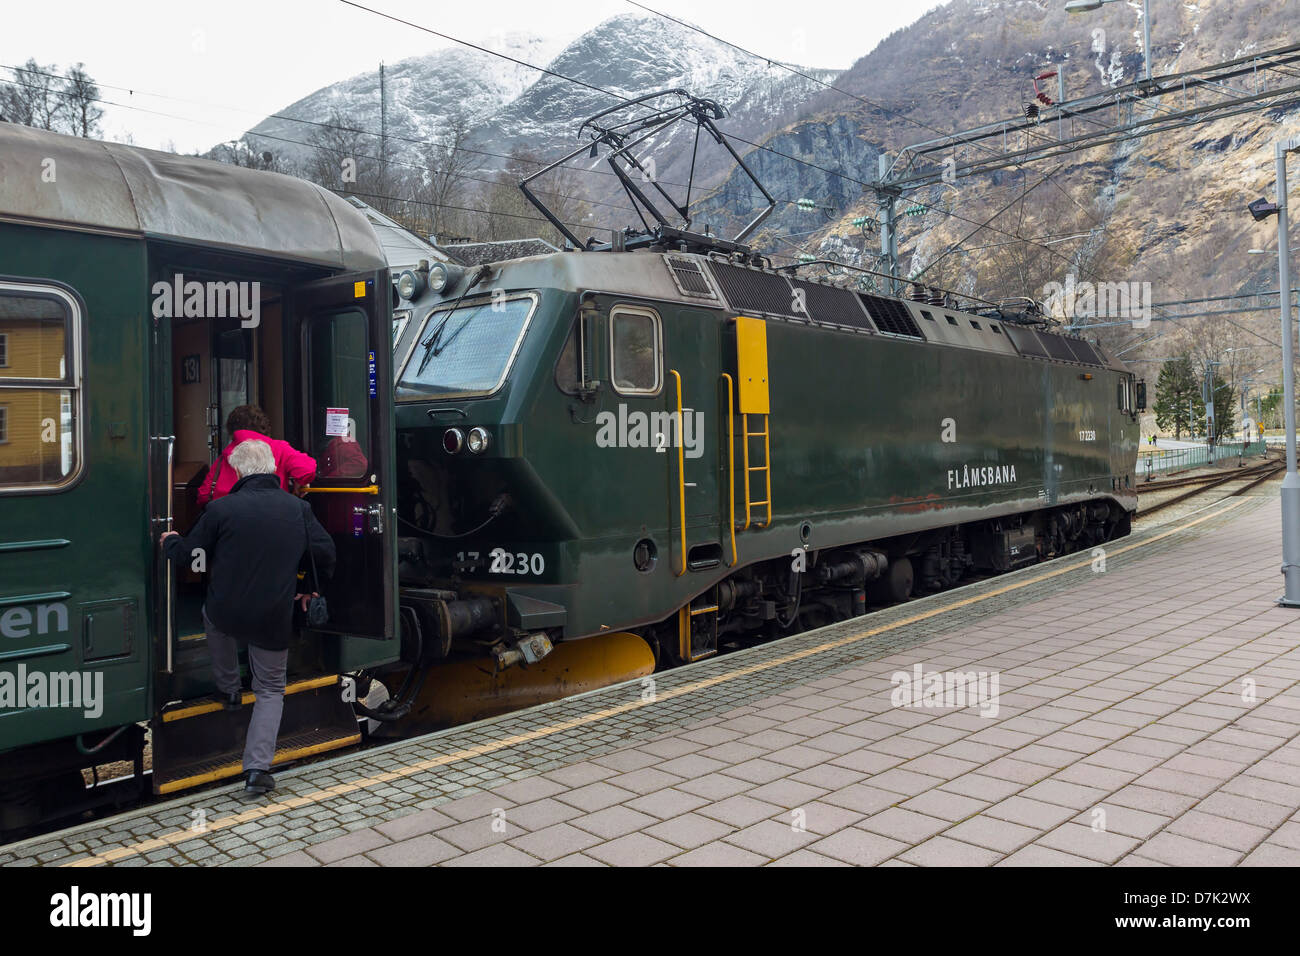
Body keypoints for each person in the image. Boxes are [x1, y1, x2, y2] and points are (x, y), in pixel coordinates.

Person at [160, 439, 336, 799]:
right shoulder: (297, 509)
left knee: (211, 615)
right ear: (272, 467)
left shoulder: (221, 509)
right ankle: (257, 770)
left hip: (227, 610)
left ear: (237, 471)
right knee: (270, 689)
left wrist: (171, 542)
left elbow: (192, 557)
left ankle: (227, 690)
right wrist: (310, 589)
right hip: (273, 614)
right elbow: (325, 552)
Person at [198, 404, 317, 505]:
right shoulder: (279, 448)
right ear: (263, 426)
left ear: (231, 429)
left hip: (228, 519)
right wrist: (300, 482)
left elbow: (204, 495)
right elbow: (306, 469)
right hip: (274, 514)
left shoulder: (224, 457)